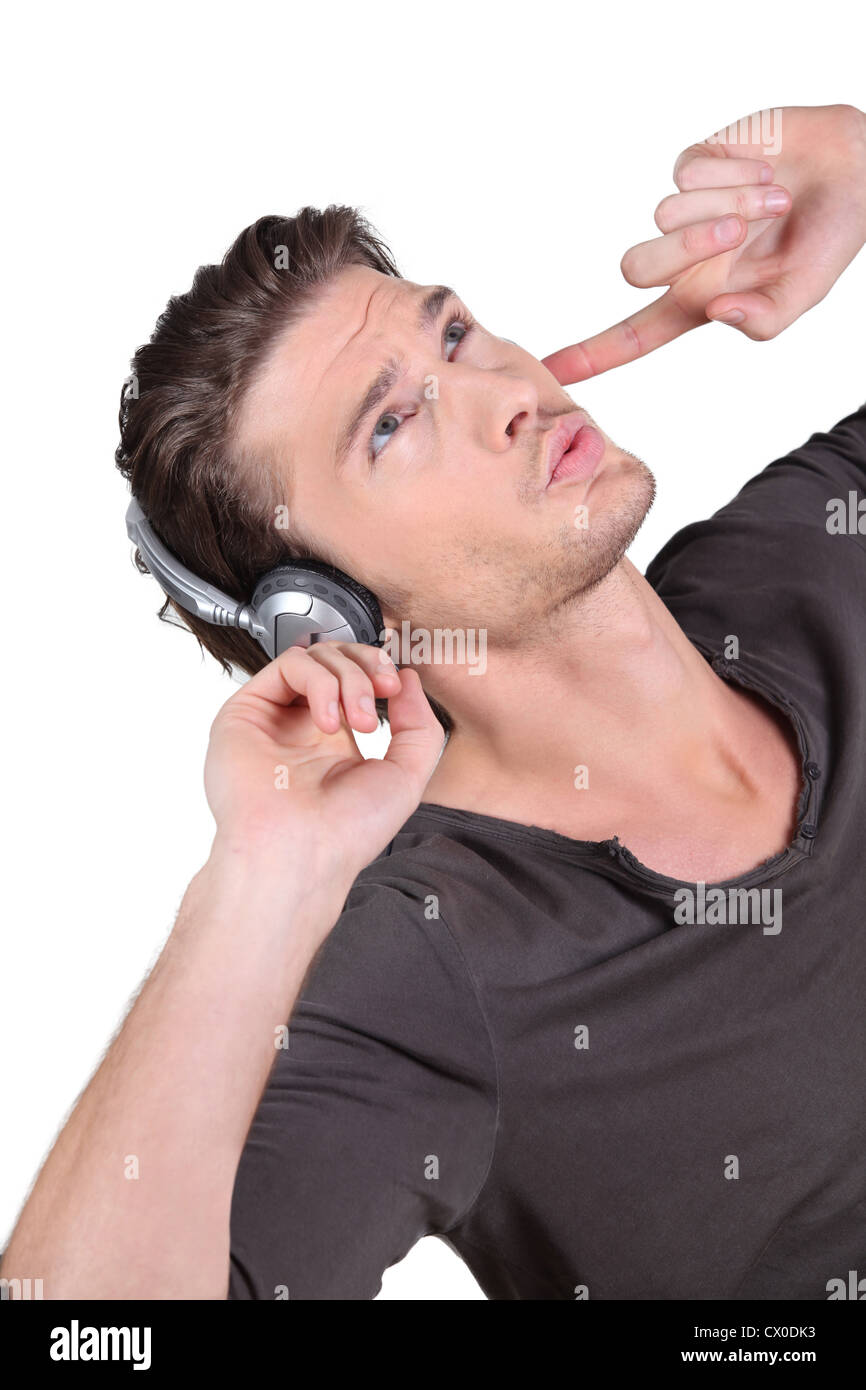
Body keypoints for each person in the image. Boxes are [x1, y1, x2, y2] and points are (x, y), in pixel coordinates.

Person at [2, 103, 865, 1301]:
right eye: (392, 424)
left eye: (452, 335)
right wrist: (263, 878)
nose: (499, 391)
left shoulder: (814, 546)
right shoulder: (427, 959)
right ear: (327, 611)